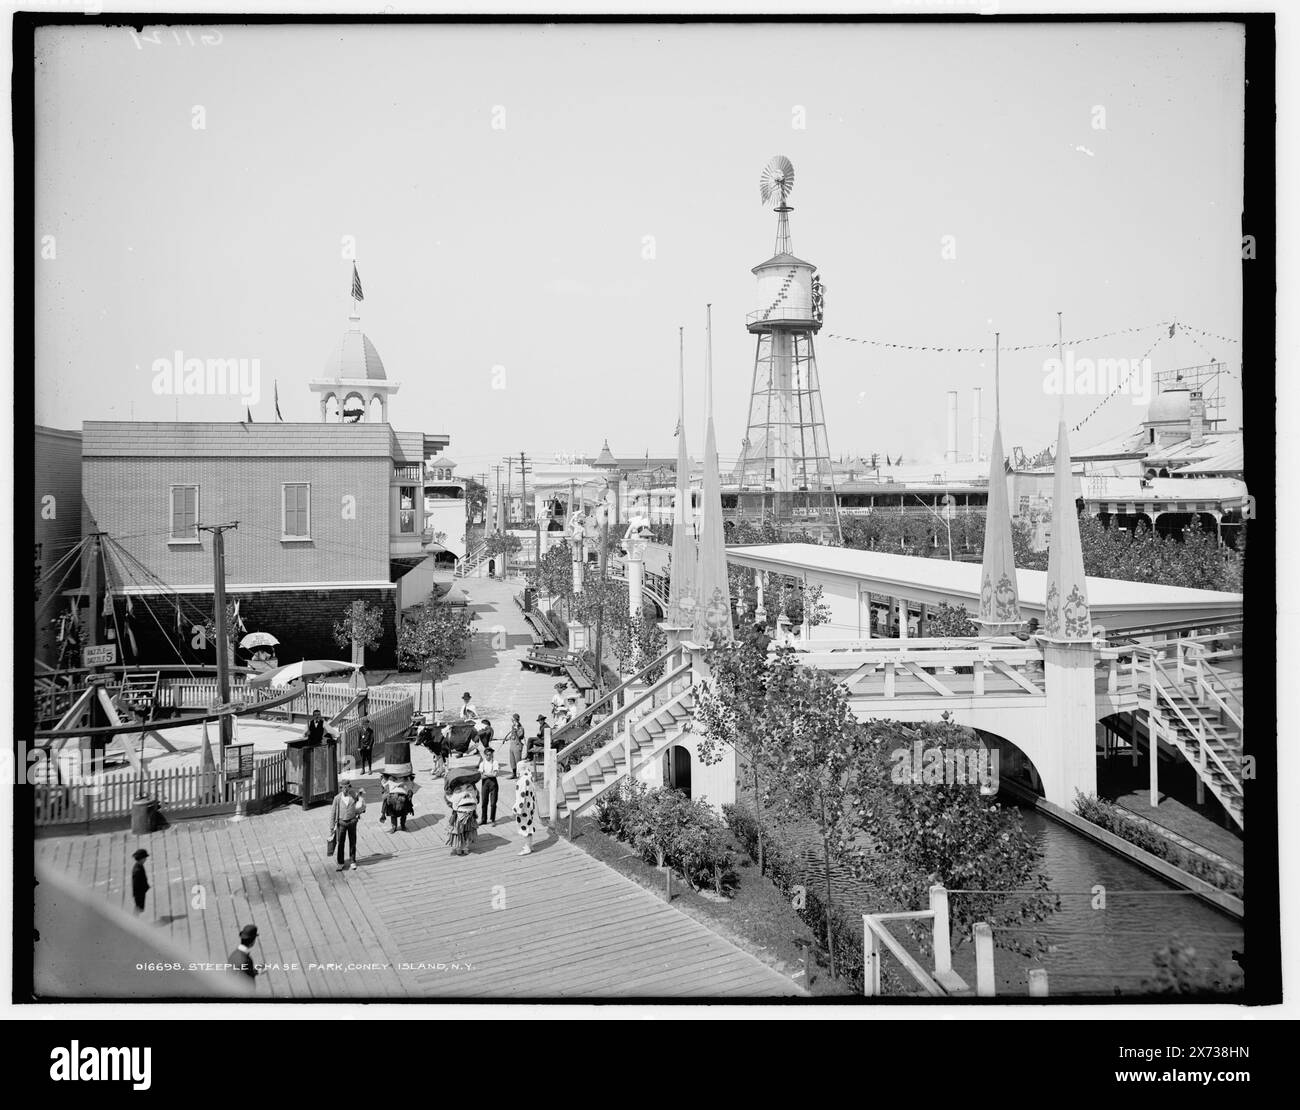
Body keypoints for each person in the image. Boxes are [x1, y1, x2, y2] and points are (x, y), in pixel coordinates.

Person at [330, 780, 366, 871]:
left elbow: (360, 804)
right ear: (341, 788)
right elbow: (333, 813)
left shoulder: (353, 795)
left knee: (352, 842)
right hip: (341, 823)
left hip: (352, 822)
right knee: (340, 843)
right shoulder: (337, 798)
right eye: (343, 787)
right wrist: (331, 827)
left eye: (347, 787)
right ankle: (340, 862)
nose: (345, 789)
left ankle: (353, 861)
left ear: (349, 787)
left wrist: (361, 795)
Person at [445, 780, 479, 856]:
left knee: (468, 831)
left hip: (469, 817)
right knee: (458, 832)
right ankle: (458, 847)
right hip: (458, 818)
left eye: (469, 789)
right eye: (458, 790)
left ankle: (465, 847)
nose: (466, 794)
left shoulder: (471, 799)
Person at [513, 761, 538, 855]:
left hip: (524, 807)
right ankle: (529, 845)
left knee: (524, 826)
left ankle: (527, 847)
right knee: (529, 824)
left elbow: (521, 796)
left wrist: (517, 809)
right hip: (530, 805)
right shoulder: (529, 777)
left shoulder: (523, 780)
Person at [478, 744, 499, 824]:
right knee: (484, 802)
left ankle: (492, 819)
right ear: (485, 755)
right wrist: (489, 774)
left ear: (492, 754)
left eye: (490, 755)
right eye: (487, 755)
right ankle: (484, 819)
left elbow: (495, 774)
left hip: (493, 784)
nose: (488, 756)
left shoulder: (495, 762)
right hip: (485, 784)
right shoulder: (482, 764)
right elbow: (480, 776)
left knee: (493, 803)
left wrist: (485, 774)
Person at [504, 713, 525, 779]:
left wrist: (516, 730)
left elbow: (520, 736)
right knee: (512, 761)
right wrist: (508, 738)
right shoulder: (513, 726)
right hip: (512, 745)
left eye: (513, 719)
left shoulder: (520, 728)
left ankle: (520, 776)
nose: (512, 720)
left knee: (518, 761)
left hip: (517, 745)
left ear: (516, 720)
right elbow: (512, 735)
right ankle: (514, 774)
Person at [131, 849, 149, 915]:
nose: (145, 859)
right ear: (141, 859)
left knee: (139, 908)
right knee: (138, 908)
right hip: (139, 893)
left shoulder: (139, 866)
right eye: (144, 858)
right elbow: (136, 884)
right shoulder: (137, 870)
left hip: (140, 892)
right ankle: (133, 921)